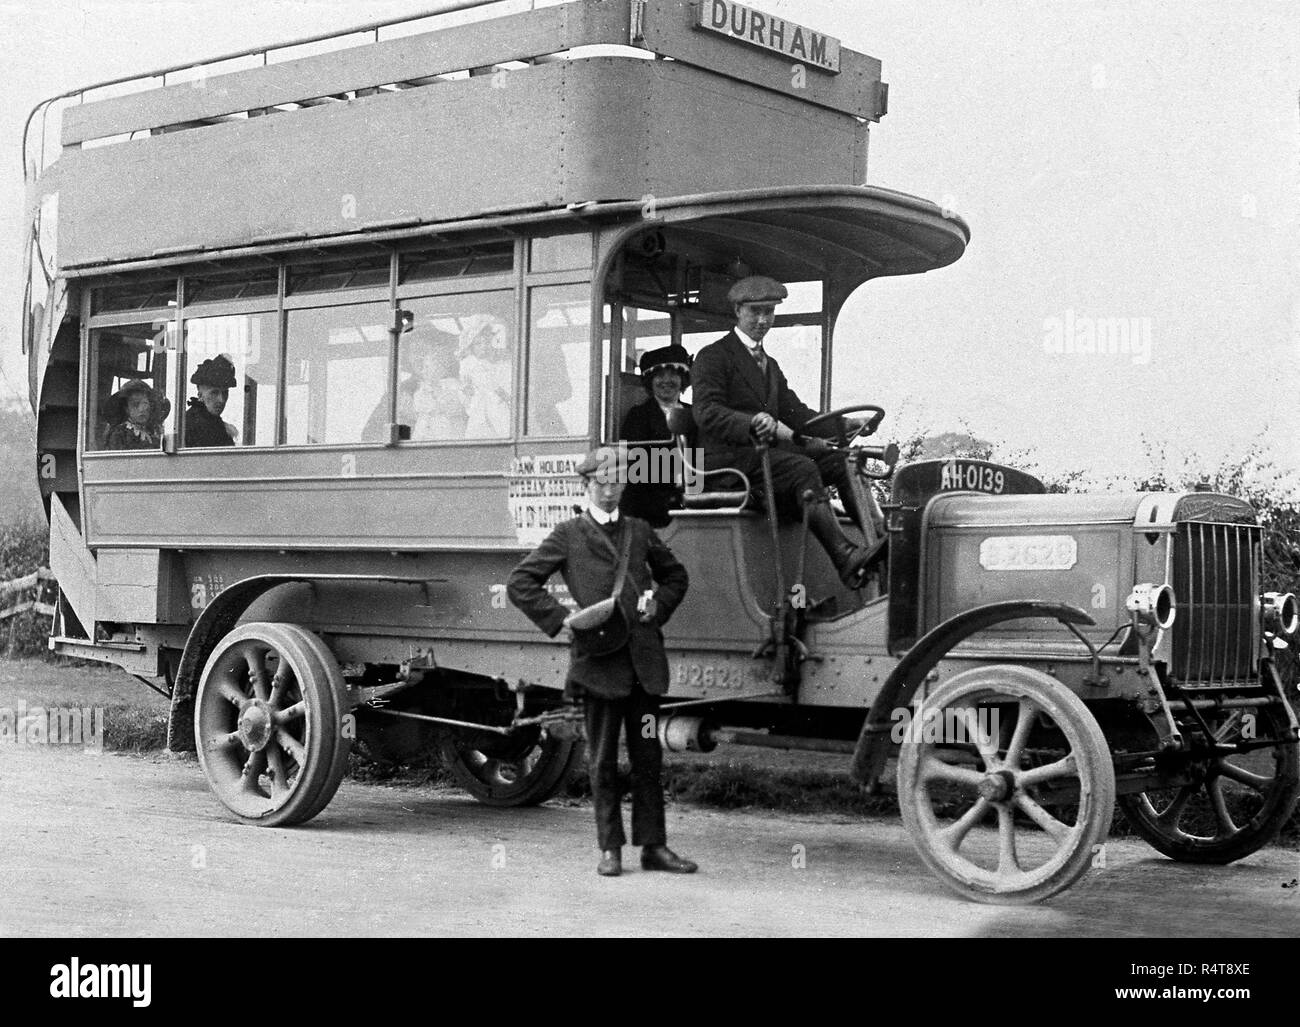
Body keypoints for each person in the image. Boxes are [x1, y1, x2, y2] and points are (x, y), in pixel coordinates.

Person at [507, 446, 696, 877]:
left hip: (644, 665)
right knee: (602, 760)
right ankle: (610, 848)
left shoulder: (641, 531)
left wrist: (658, 607)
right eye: (601, 482)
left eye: (617, 481)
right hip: (599, 666)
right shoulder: (568, 534)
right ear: (586, 485)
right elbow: (521, 582)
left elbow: (676, 577)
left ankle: (654, 847)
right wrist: (563, 622)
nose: (610, 490)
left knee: (649, 759)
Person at [691, 275, 881, 587]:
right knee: (802, 467)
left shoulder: (770, 365)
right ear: (738, 310)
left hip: (763, 459)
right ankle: (844, 556)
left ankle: (880, 540)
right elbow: (706, 413)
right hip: (726, 462)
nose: (763, 320)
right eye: (756, 312)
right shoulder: (714, 356)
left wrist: (845, 424)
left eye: (769, 312)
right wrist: (750, 422)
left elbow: (798, 414)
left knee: (841, 463)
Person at [619, 343, 699, 528]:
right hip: (653, 504)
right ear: (650, 381)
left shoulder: (694, 414)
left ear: (683, 379)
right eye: (660, 375)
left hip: (694, 494)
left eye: (673, 374)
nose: (667, 381)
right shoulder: (639, 416)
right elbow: (634, 468)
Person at [457, 314, 511, 438]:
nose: (484, 347)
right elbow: (465, 386)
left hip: (499, 406)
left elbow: (504, 387)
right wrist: (466, 390)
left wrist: (501, 392)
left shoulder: (502, 364)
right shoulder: (469, 364)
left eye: (487, 342)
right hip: (478, 408)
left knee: (503, 428)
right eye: (478, 344)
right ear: (471, 347)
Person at [185, 355, 238, 448]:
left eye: (225, 393)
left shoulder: (213, 422)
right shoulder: (195, 424)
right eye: (214, 393)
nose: (221, 400)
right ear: (200, 394)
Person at [104, 379, 170, 451]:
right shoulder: (119, 434)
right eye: (135, 404)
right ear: (126, 409)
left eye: (145, 404)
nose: (141, 409)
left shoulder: (154, 433)